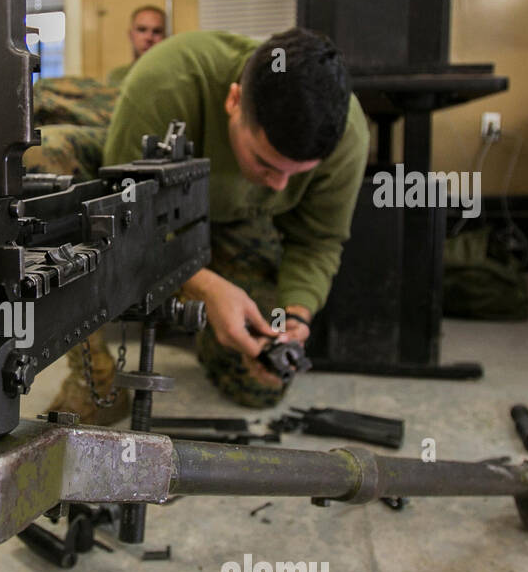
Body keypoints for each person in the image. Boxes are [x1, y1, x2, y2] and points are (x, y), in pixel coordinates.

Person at [34, 28, 370, 423]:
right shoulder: (168, 81)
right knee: (40, 161)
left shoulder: (346, 136)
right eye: (265, 163)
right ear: (233, 102)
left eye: (295, 175)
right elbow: (128, 222)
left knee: (258, 384)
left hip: (239, 221)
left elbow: (318, 240)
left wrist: (294, 316)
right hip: (152, 203)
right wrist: (206, 287)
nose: (278, 185)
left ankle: (184, 317)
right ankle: (96, 378)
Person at [106, 5, 166, 87]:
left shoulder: (176, 77)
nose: (149, 37)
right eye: (142, 29)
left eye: (157, 31)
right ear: (131, 35)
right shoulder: (116, 77)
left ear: (165, 37)